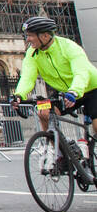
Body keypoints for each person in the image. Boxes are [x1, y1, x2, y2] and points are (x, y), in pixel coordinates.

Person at [10, 16, 97, 156]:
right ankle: (61, 154)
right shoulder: (32, 53)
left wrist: (74, 91)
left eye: (31, 36)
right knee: (43, 112)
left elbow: (81, 72)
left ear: (44, 36)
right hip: (64, 91)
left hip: (90, 88)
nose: (28, 40)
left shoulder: (69, 47)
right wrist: (19, 95)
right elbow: (27, 77)